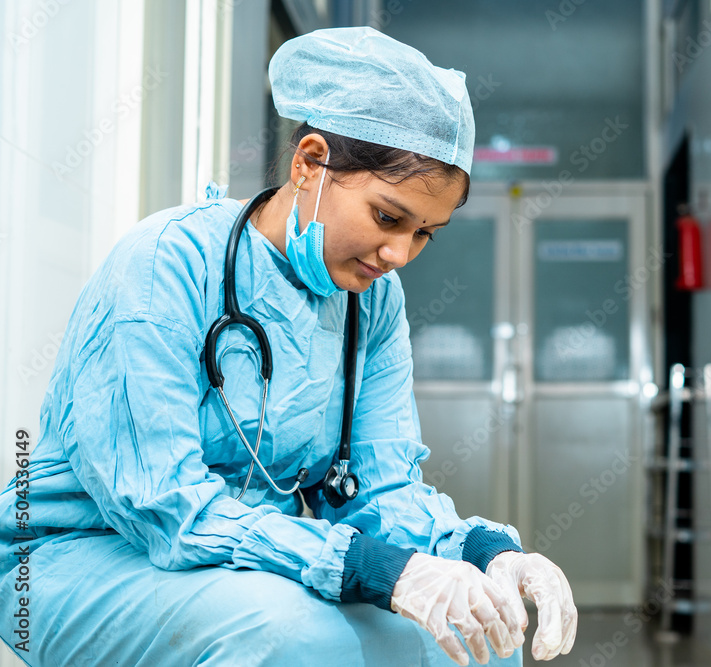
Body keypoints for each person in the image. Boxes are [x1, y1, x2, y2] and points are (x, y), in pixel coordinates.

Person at [0, 27, 577, 666]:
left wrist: (490, 554)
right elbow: (161, 503)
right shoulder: (165, 263)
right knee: (294, 637)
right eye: (388, 217)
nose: (398, 254)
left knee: (473, 635)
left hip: (246, 563)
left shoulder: (371, 301)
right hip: (80, 552)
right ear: (310, 162)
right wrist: (373, 568)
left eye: (424, 234)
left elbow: (380, 489)